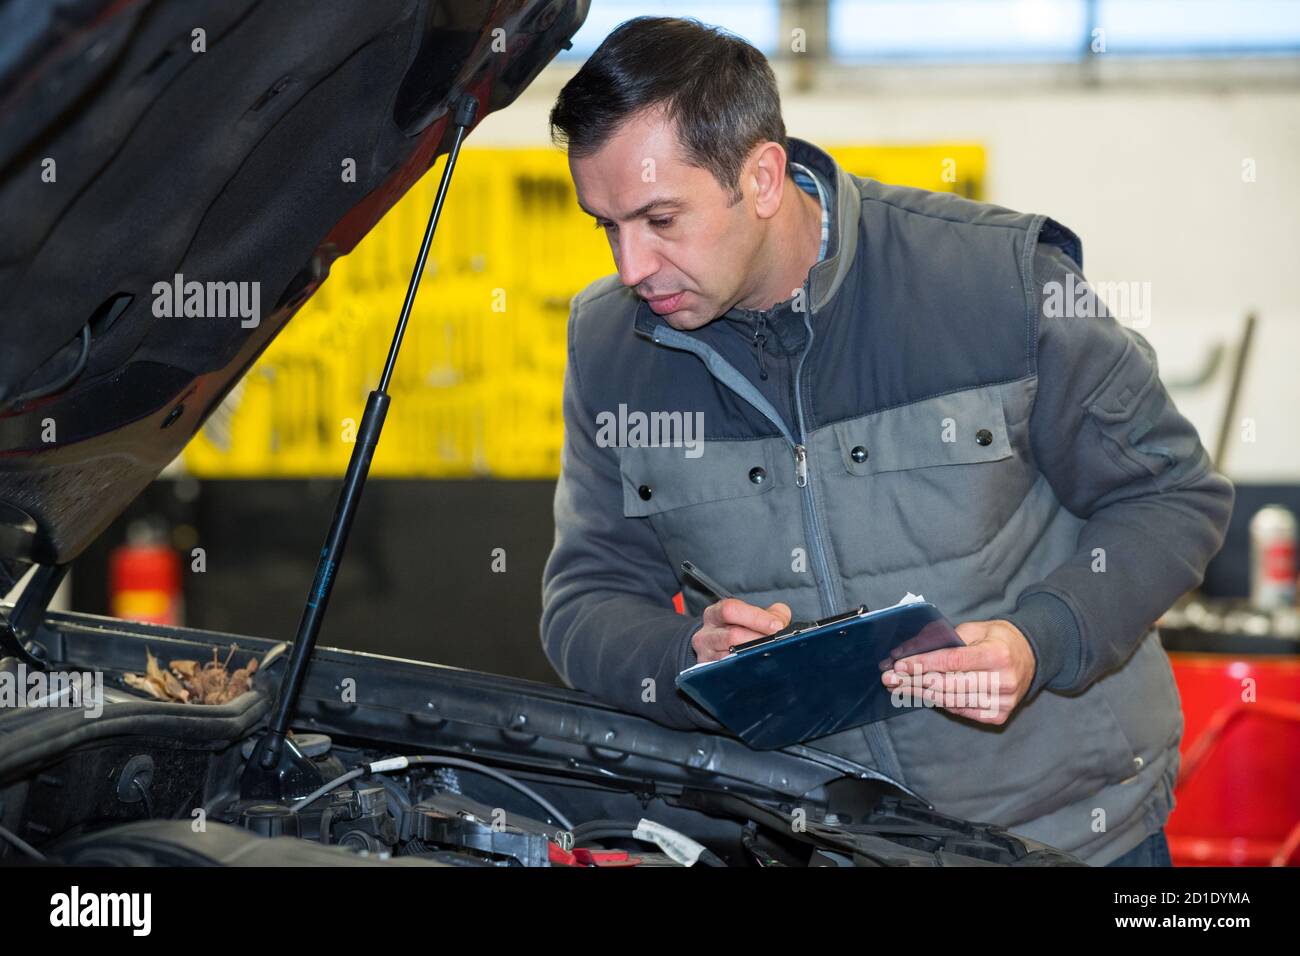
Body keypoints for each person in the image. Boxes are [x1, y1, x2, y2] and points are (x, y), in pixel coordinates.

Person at [539, 16, 1233, 866]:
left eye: (659, 219)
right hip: (809, 841)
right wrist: (688, 654)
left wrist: (1039, 638)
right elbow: (585, 601)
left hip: (1069, 836)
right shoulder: (612, 350)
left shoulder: (996, 283)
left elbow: (1170, 496)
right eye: (605, 225)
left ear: (761, 177)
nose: (630, 266)